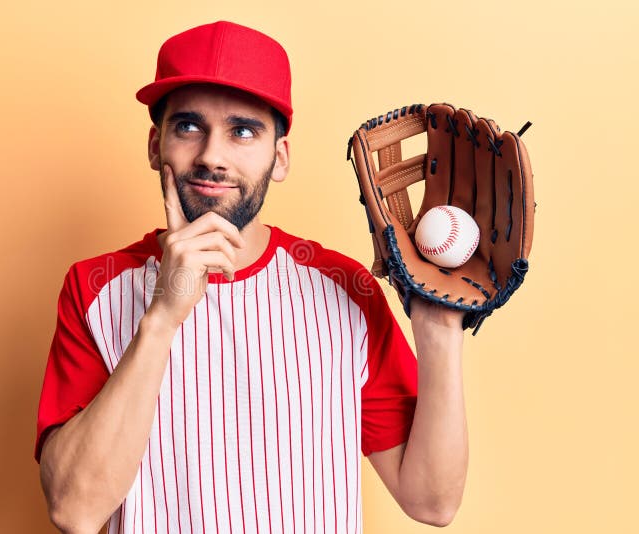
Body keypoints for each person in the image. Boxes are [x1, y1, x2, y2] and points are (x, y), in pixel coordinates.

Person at [35, 21, 468, 534]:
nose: (212, 156)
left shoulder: (345, 290)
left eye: (243, 130)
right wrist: (161, 317)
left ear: (279, 157)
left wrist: (439, 329)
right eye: (189, 126)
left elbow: (432, 503)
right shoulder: (95, 288)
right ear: (156, 145)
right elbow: (74, 511)